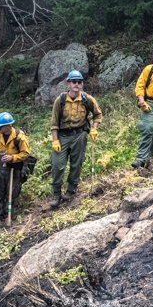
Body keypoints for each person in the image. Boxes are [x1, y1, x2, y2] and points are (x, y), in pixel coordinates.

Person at [48, 70, 103, 209]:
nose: (77, 84)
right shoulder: (60, 101)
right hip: (62, 136)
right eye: (74, 82)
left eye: (79, 82)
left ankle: (71, 190)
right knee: (57, 165)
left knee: (76, 164)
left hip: (79, 134)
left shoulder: (87, 99)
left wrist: (94, 128)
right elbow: (54, 124)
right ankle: (56, 194)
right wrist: (55, 140)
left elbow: (98, 115)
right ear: (68, 83)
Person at [0, 112, 34, 223]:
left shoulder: (19, 137)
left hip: (15, 169)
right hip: (1, 168)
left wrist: (12, 158)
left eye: (1, 127)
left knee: (11, 193)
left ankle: (9, 216)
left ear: (9, 126)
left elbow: (26, 153)